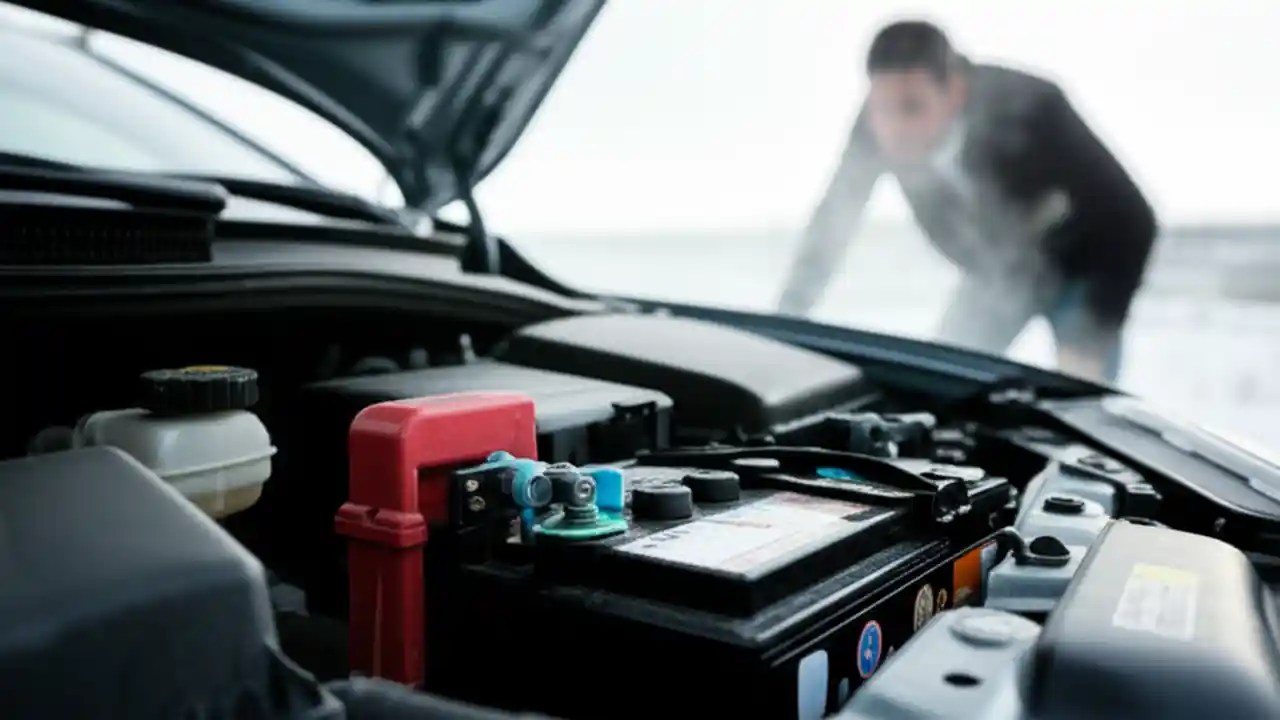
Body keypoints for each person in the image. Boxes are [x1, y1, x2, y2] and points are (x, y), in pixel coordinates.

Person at [777, 20, 1156, 383]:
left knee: (1079, 398)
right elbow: (833, 224)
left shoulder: (1033, 107)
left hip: (1088, 268)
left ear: (955, 90)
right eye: (881, 108)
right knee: (941, 377)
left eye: (912, 108)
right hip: (996, 272)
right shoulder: (874, 128)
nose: (895, 129)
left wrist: (1092, 338)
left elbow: (1132, 218)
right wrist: (786, 322)